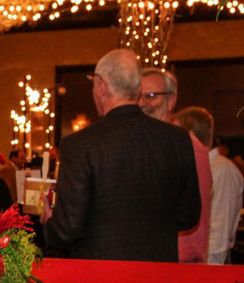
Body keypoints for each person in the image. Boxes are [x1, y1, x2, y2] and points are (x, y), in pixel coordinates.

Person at [43, 49, 199, 261]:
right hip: (159, 280)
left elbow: (66, 231)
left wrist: (49, 222)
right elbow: (188, 217)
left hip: (101, 282)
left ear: (101, 86)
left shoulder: (80, 145)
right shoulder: (177, 139)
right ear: (137, 88)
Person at [139, 68, 212, 263]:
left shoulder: (187, 147)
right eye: (138, 96)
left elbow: (192, 220)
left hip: (179, 265)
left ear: (171, 101)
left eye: (151, 96)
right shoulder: (159, 143)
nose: (142, 104)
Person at [174, 108, 243, 264]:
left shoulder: (222, 170)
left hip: (209, 267)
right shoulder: (201, 167)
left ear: (190, 135)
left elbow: (219, 235)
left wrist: (206, 277)